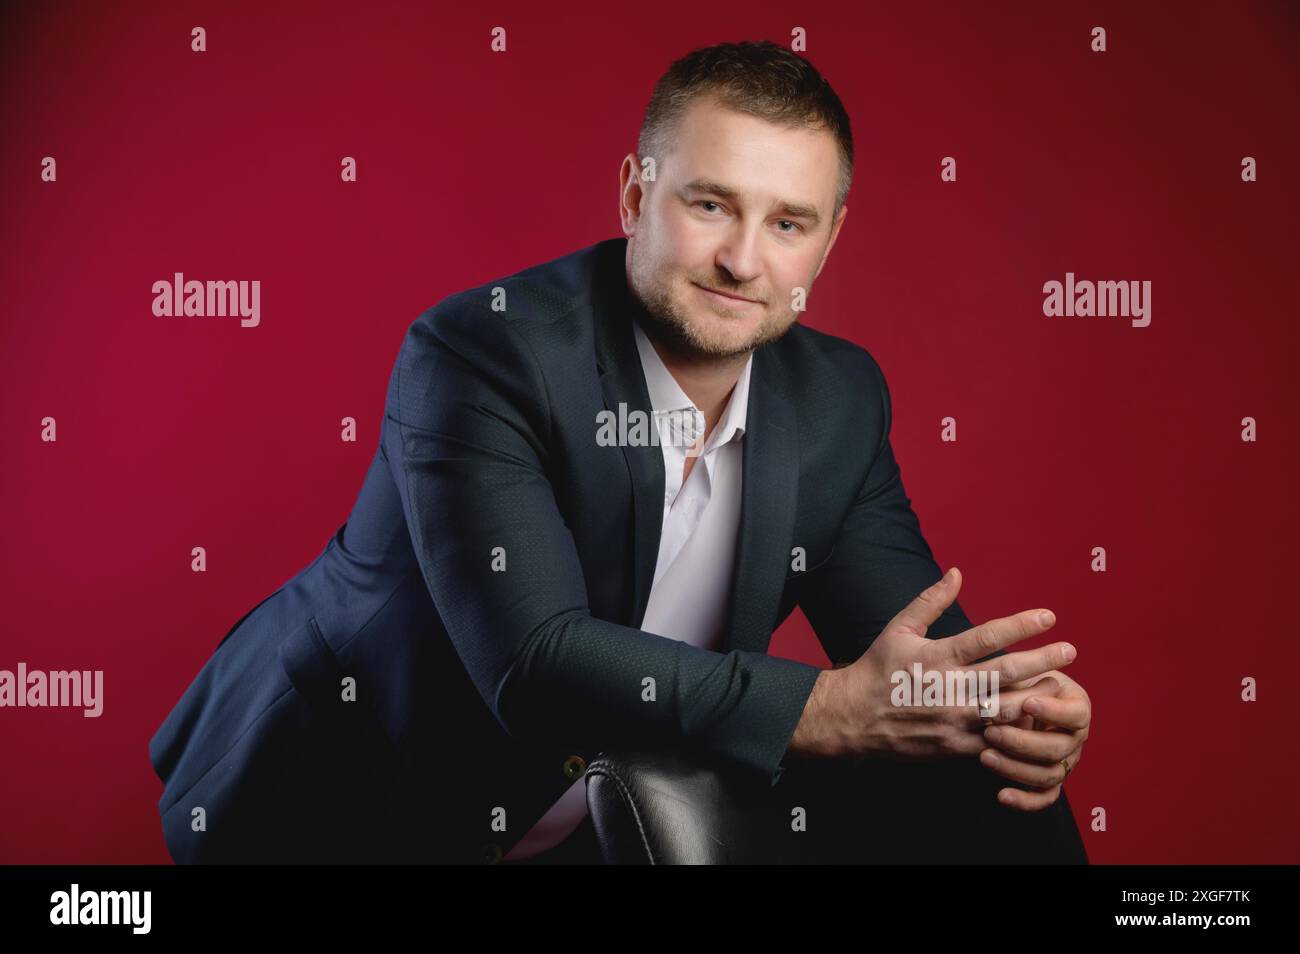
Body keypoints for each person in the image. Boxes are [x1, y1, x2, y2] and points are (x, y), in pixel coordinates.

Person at [149, 40, 1091, 865]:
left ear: (829, 240)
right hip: (342, 808)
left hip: (587, 829)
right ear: (637, 193)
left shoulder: (836, 400)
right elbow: (537, 664)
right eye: (712, 204)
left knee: (994, 788)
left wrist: (1001, 710)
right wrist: (823, 711)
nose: (743, 259)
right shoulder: (485, 352)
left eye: (788, 223)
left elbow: (911, 654)